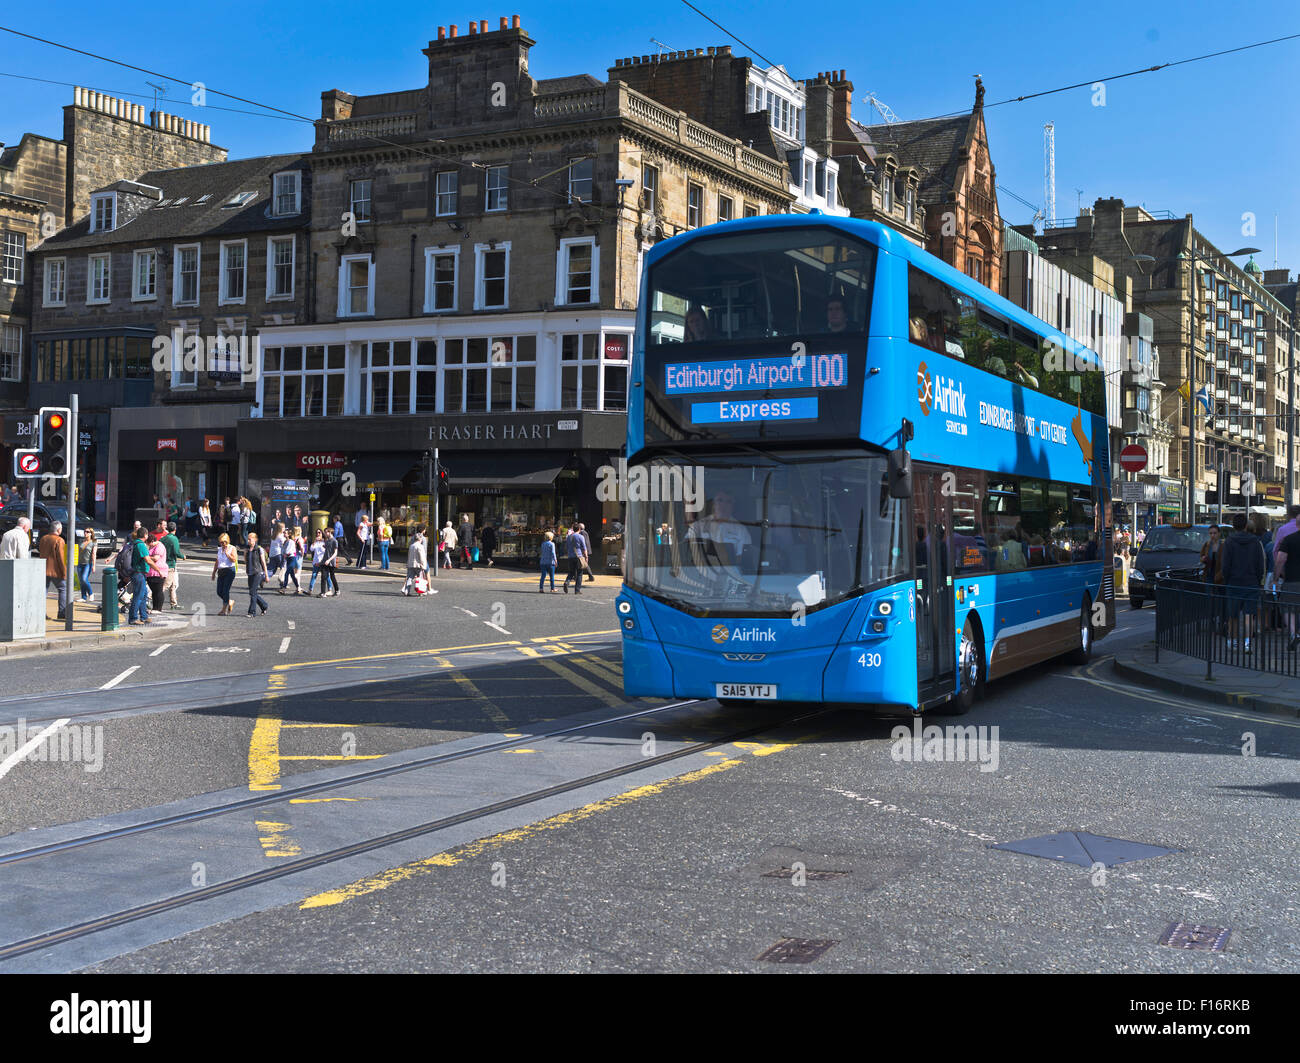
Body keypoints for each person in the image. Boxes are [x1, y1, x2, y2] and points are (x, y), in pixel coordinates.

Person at [1217, 512, 1266, 653]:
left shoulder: (1229, 542)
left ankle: (1232, 642)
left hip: (1233, 582)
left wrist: (1227, 579)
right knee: (1249, 615)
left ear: (1233, 526)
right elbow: (1260, 564)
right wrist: (1257, 579)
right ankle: (1247, 643)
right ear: (1246, 525)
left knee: (1233, 616)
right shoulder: (1255, 542)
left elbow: (1225, 565)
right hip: (1251, 582)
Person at [685, 492, 752, 566]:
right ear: (713, 504)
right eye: (720, 500)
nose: (723, 505)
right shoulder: (697, 526)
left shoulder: (741, 530)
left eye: (728, 502)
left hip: (729, 571)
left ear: (733, 507)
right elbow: (686, 551)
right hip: (700, 571)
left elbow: (741, 558)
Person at [1273, 518, 1300, 651]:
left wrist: (1275, 578)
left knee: (1288, 609)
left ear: (1297, 524)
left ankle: (1293, 633)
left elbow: (1280, 560)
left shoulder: (1289, 539)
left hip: (1292, 580)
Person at [38, 521, 68, 620]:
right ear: (58, 530)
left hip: (43, 569)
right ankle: (62, 612)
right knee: (62, 589)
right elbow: (61, 558)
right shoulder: (59, 540)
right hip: (56, 570)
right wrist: (64, 572)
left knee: (43, 591)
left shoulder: (43, 538)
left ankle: (41, 613)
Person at [128, 526, 154, 625]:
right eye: (147, 534)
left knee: (143, 595)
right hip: (138, 573)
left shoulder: (134, 543)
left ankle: (144, 616)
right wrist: (158, 570)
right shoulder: (141, 545)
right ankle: (133, 618)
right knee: (138, 596)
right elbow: (148, 560)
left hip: (139, 573)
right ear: (145, 535)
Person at [210, 532, 238, 615]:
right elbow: (217, 561)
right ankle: (229, 601)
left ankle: (223, 610)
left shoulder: (232, 548)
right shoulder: (219, 549)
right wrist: (213, 572)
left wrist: (227, 554)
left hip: (230, 571)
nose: (223, 544)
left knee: (225, 590)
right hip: (221, 571)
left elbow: (234, 560)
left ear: (228, 541)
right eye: (221, 542)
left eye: (225, 542)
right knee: (219, 591)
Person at [402, 525, 433, 595]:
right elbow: (422, 556)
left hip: (411, 564)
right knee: (421, 577)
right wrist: (423, 565)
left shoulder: (411, 546)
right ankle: (421, 591)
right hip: (418, 565)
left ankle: (406, 590)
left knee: (409, 578)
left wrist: (408, 563)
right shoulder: (420, 546)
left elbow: (409, 555)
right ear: (420, 539)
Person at [162, 521, 185, 609]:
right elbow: (176, 552)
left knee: (173, 585)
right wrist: (183, 556)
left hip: (164, 563)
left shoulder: (163, 539)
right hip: (170, 565)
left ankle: (174, 604)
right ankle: (149, 597)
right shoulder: (174, 539)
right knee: (166, 585)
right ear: (175, 529)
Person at [245, 531, 269, 616]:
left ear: (255, 540)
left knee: (252, 592)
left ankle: (252, 612)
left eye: (250, 539)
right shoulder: (247, 549)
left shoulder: (259, 549)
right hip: (250, 573)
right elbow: (246, 561)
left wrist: (266, 575)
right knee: (252, 593)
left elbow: (263, 563)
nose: (248, 541)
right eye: (248, 539)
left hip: (257, 573)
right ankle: (264, 605)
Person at [561, 523, 588, 594]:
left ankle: (567, 582)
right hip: (578, 556)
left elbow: (566, 547)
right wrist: (586, 556)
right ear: (579, 529)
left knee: (571, 572)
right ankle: (577, 590)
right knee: (579, 573)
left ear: (573, 529)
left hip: (570, 556)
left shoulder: (569, 537)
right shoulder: (580, 537)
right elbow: (584, 548)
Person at [146, 532, 168, 612]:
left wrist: (146, 557)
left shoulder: (159, 546)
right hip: (152, 572)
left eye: (149, 543)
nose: (149, 545)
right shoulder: (153, 546)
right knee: (154, 591)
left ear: (152, 541)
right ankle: (155, 608)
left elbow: (156, 558)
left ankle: (158, 608)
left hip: (158, 572)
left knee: (158, 591)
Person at [281, 526, 303, 594]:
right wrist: (284, 554)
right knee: (292, 575)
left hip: (292, 558)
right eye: (284, 533)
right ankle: (298, 587)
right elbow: (283, 550)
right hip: (288, 559)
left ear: (288, 534)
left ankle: (284, 588)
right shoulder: (285, 541)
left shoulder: (291, 542)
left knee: (287, 573)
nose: (284, 534)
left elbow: (289, 551)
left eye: (285, 533)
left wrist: (285, 554)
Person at [320, 527, 341, 597]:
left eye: (326, 532)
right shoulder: (327, 540)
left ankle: (337, 590)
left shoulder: (334, 541)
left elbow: (335, 553)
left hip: (331, 562)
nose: (325, 534)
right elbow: (327, 549)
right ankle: (323, 593)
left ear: (330, 532)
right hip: (324, 561)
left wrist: (329, 560)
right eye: (325, 532)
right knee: (323, 576)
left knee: (332, 576)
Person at [77, 528, 96, 602]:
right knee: (81, 581)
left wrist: (94, 565)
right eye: (85, 531)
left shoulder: (93, 542)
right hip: (80, 563)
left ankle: (91, 593)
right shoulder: (81, 541)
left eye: (87, 532)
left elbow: (94, 554)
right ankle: (83, 597)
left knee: (84, 579)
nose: (85, 533)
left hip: (88, 564)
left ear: (91, 533)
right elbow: (78, 551)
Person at [307, 529, 327, 595]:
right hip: (316, 561)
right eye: (317, 533)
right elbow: (311, 549)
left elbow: (326, 551)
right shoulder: (316, 542)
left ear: (322, 534)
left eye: (319, 532)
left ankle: (330, 589)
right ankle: (310, 590)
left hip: (322, 562)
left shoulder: (325, 542)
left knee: (326, 576)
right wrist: (315, 541)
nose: (318, 534)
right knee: (314, 575)